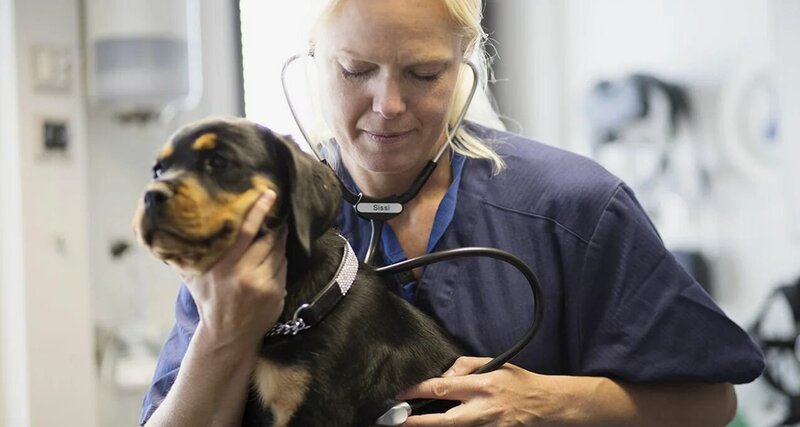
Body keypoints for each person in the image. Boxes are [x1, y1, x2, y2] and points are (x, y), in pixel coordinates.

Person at [140, 0, 765, 425]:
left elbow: (711, 402)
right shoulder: (257, 219)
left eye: (423, 72)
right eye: (355, 70)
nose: (387, 104)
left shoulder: (573, 207)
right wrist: (224, 331)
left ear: (466, 65)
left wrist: (550, 404)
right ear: (312, 63)